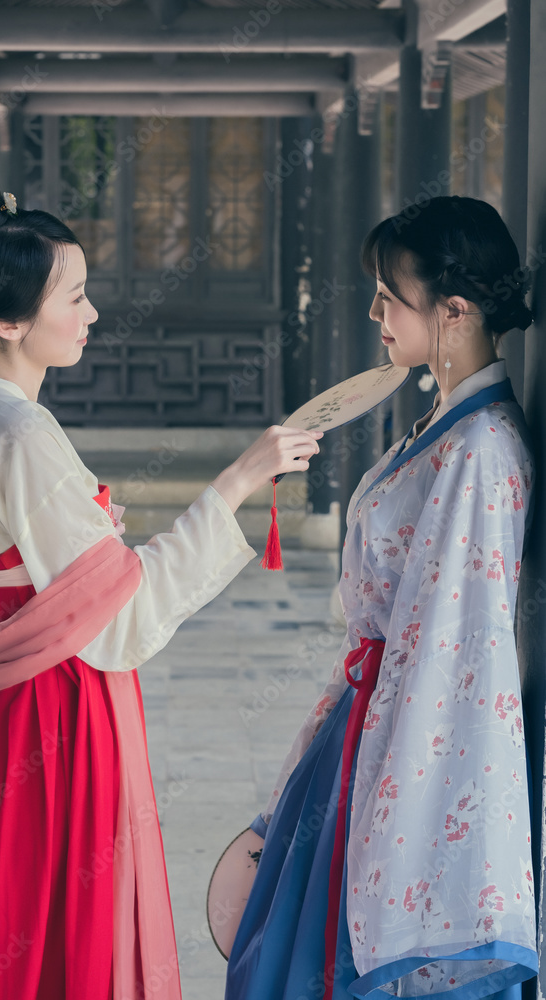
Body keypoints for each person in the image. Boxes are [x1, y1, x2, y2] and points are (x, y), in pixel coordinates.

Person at [0, 140, 321, 1000]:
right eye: (74, 298)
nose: (91, 315)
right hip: (63, 704)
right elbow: (119, 612)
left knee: (11, 907)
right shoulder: (18, 433)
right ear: (9, 321)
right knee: (63, 912)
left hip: (31, 701)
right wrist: (237, 478)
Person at [225, 195, 538, 1000]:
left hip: (404, 732)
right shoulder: (446, 422)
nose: (372, 312)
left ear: (455, 310)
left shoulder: (479, 448)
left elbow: (450, 654)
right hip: (362, 719)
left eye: (389, 296)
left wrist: (391, 816)